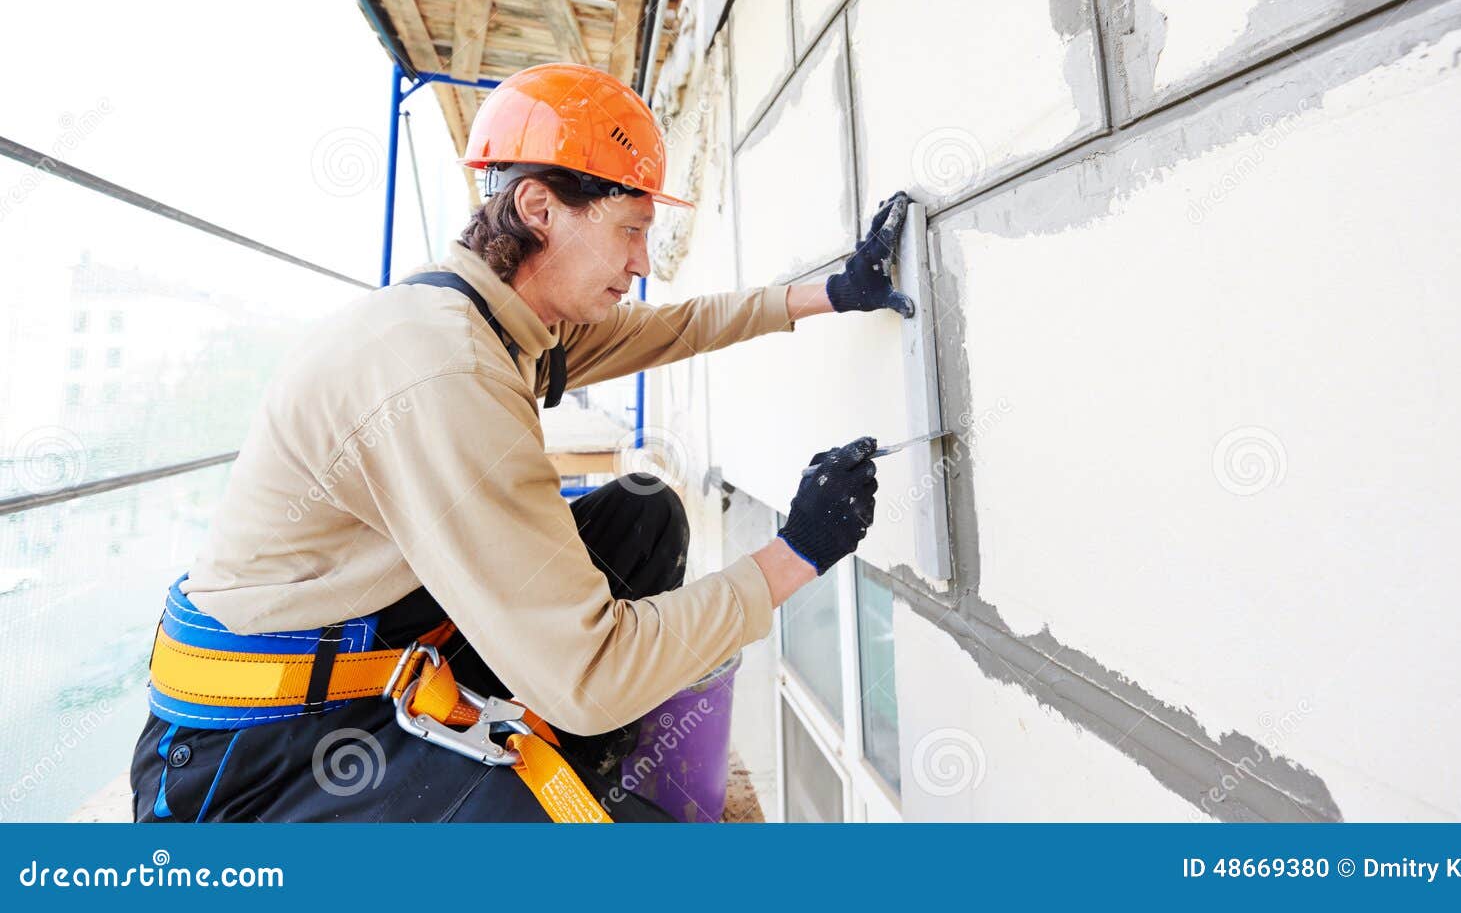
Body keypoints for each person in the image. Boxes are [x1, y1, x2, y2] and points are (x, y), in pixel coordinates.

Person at [131, 62, 917, 822]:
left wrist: (831, 293)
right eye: (632, 230)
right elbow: (594, 670)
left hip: (390, 643)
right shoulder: (448, 368)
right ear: (540, 208)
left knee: (644, 515)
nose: (643, 263)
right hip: (255, 756)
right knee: (614, 835)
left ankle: (565, 744)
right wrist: (799, 551)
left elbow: (675, 326)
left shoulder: (498, 319)